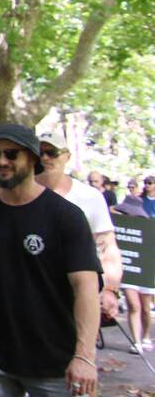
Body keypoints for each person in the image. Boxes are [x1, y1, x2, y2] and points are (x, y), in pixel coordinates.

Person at [0, 124, 102, 397]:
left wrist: (84, 356)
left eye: (11, 154)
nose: (1, 161)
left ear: (33, 158)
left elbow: (86, 287)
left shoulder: (65, 216)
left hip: (56, 359)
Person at [37, 133, 123, 328]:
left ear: (66, 156)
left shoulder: (89, 197)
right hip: (31, 295)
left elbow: (107, 247)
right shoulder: (22, 193)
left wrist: (110, 290)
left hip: (77, 295)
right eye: (40, 153)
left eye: (51, 153)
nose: (45, 158)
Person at [112, 191, 155, 353]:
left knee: (144, 307)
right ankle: (136, 341)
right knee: (133, 305)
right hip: (128, 270)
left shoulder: (149, 228)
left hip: (145, 271)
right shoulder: (117, 228)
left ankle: (145, 336)